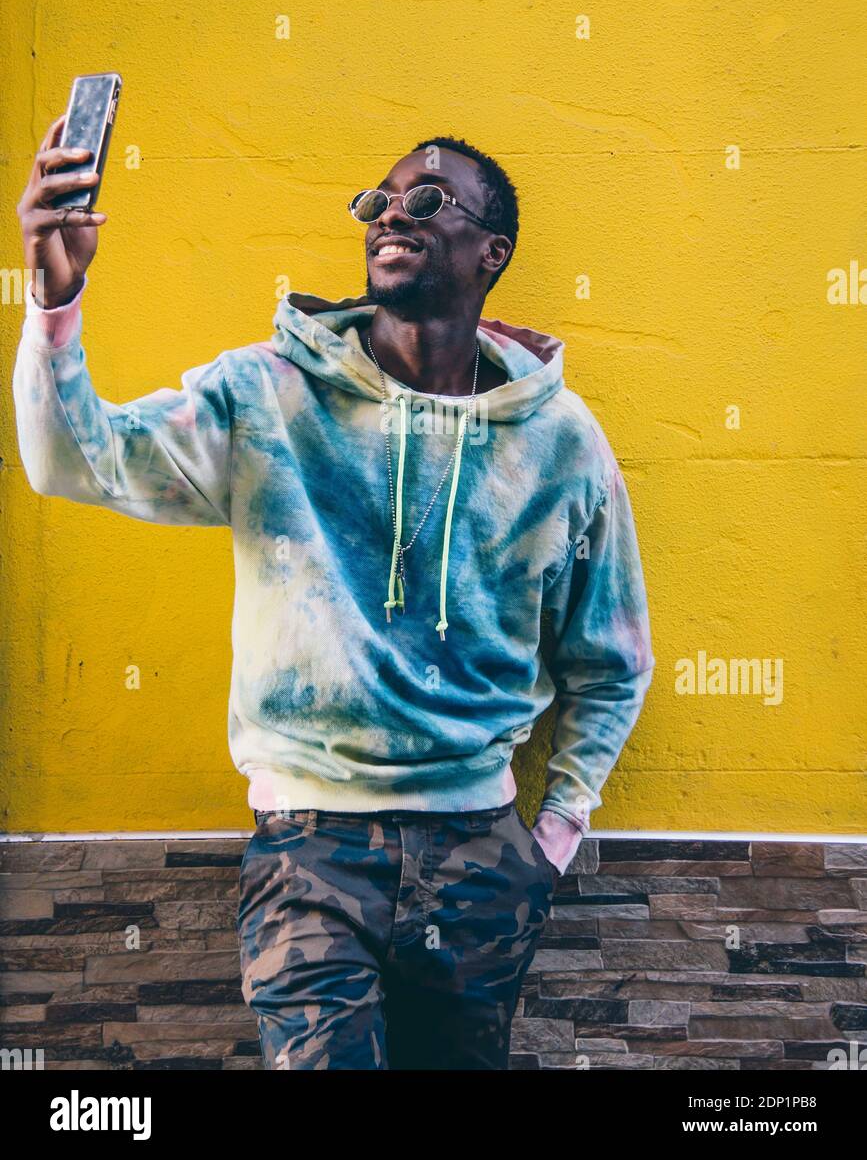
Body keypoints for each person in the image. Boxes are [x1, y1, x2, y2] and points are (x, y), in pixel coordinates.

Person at [13, 117, 655, 1070]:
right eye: (379, 200)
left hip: (480, 854)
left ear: (493, 252)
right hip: (308, 851)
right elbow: (74, 461)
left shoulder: (559, 441)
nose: (392, 214)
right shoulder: (266, 394)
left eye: (428, 200)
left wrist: (551, 835)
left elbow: (612, 660)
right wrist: (56, 297)